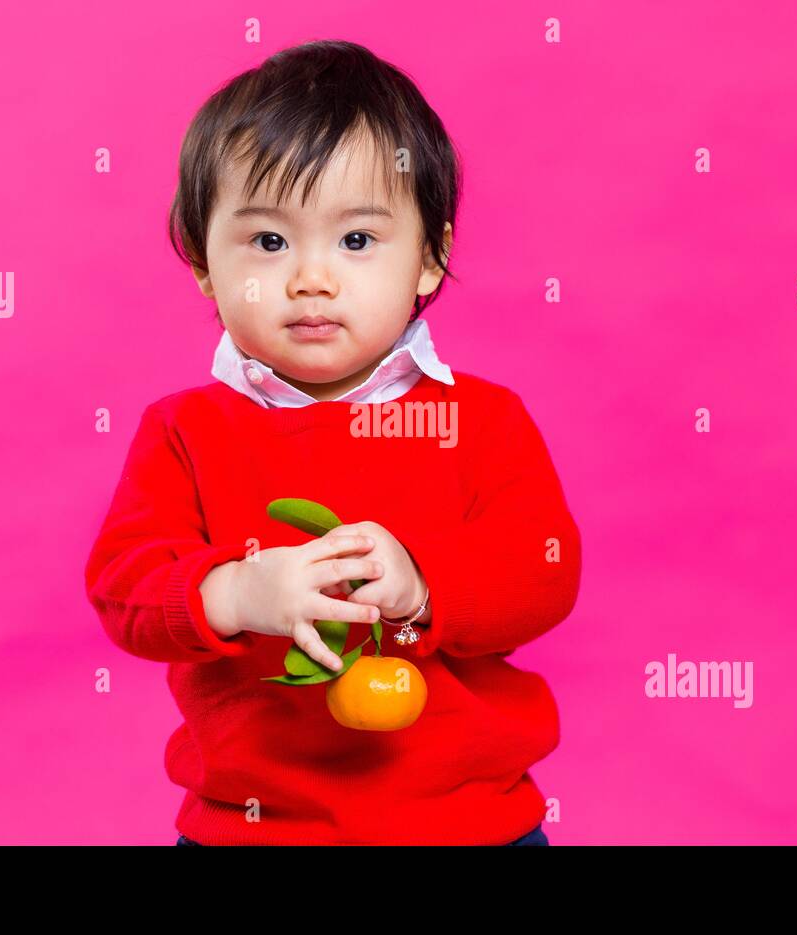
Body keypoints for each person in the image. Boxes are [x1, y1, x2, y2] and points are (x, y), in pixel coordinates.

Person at [84, 39, 581, 845]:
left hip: (468, 825)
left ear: (431, 257)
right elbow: (124, 586)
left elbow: (545, 567)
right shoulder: (184, 430)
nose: (311, 277)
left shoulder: (483, 418)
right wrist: (237, 592)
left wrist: (423, 581)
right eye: (269, 242)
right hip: (248, 828)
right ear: (204, 266)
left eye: (356, 240)